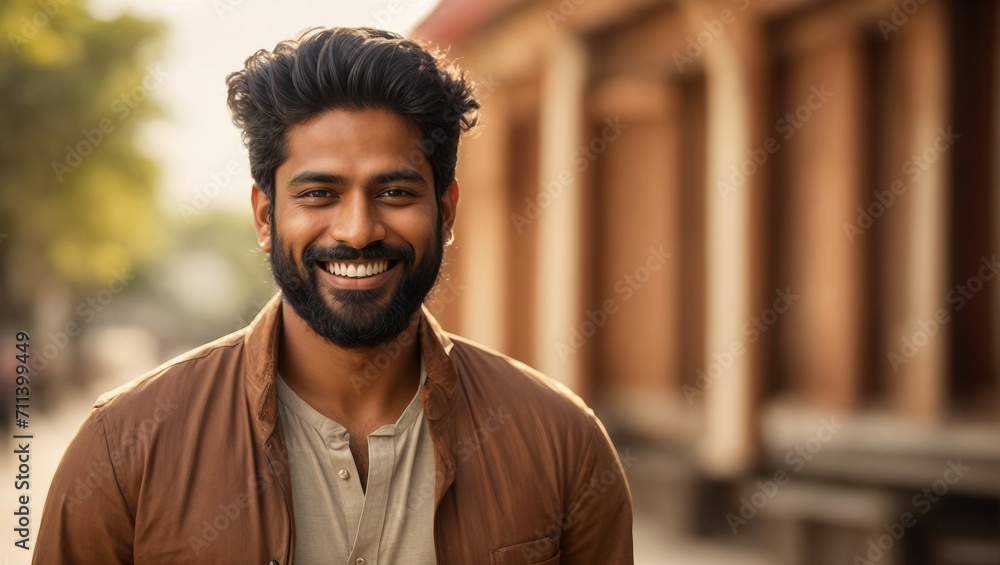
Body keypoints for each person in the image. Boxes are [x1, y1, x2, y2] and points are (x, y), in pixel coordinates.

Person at [34, 27, 633, 564]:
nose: (357, 229)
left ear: (445, 211)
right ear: (266, 216)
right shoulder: (126, 447)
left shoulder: (559, 442)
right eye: (319, 194)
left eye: (395, 192)